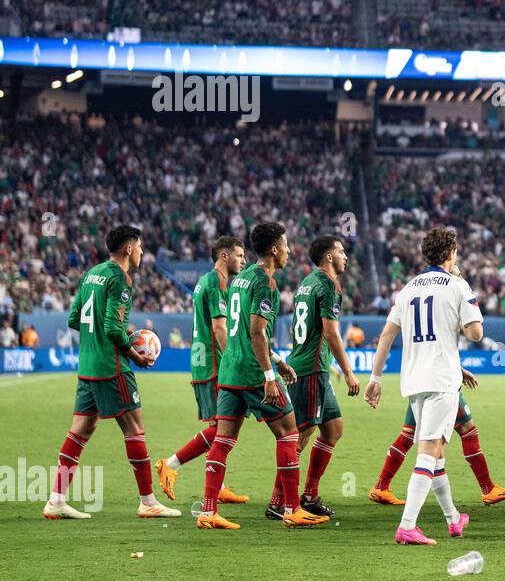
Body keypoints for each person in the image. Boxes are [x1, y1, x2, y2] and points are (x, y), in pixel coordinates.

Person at [43, 225, 180, 521]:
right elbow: (111, 328)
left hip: (87, 366)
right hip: (111, 367)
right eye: (140, 247)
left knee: (80, 431)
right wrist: (134, 355)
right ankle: (147, 502)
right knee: (135, 430)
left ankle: (56, 500)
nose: (142, 252)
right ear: (129, 249)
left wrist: (111, 331)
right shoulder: (120, 277)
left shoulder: (92, 274)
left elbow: (74, 319)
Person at [196, 222, 327, 531]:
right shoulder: (265, 282)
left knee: (224, 439)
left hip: (229, 370)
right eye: (285, 246)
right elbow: (256, 331)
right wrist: (270, 375)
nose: (289, 252)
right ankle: (291, 508)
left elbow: (245, 332)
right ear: (273, 250)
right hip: (253, 373)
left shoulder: (240, 279)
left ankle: (208, 510)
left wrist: (279, 361)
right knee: (290, 433)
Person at [366, 227, 482, 545]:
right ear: (451, 254)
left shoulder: (408, 288)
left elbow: (388, 335)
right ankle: (407, 525)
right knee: (429, 451)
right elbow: (476, 334)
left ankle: (453, 518)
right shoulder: (458, 285)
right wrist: (463, 307)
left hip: (414, 380)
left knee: (438, 452)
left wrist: (375, 378)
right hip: (442, 381)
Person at [156, 236, 249, 506]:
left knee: (219, 427)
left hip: (202, 361)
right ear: (224, 256)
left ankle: (217, 486)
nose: (243, 261)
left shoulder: (205, 281)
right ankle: (170, 464)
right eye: (239, 255)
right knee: (225, 430)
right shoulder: (219, 282)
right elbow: (220, 328)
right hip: (215, 363)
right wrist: (234, 360)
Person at [276, 235, 362, 518]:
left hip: (313, 366)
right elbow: (331, 332)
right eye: (340, 251)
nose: (345, 256)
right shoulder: (328, 284)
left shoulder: (307, 282)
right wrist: (348, 372)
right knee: (300, 434)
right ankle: (279, 502)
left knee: (333, 428)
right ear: (328, 257)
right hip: (310, 369)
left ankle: (310, 495)